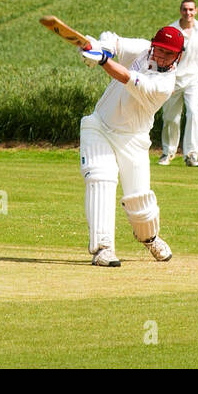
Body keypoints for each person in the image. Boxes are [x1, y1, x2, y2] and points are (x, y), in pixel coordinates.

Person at [77, 24, 185, 267]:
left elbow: (125, 77)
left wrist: (102, 60)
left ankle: (149, 237)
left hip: (133, 139)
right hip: (100, 126)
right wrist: (99, 47)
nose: (160, 56)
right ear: (153, 45)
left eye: (168, 54)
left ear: (178, 56)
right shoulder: (143, 50)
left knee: (140, 205)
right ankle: (103, 249)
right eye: (159, 50)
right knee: (100, 179)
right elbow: (113, 41)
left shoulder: (165, 85)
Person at [159, 0, 198, 168]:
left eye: (191, 9)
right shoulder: (171, 30)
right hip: (173, 79)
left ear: (196, 11)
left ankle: (191, 155)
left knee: (193, 113)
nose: (188, 13)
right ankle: (168, 153)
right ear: (180, 11)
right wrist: (163, 79)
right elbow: (162, 56)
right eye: (185, 9)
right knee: (171, 117)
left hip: (195, 80)